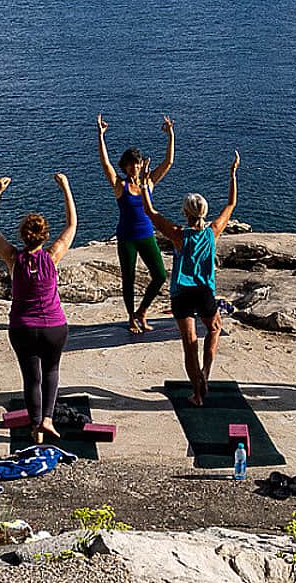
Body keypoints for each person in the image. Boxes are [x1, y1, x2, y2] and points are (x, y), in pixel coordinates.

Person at [141, 152, 239, 406]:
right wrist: (232, 175)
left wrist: (143, 184)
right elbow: (230, 206)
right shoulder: (212, 232)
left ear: (185, 213)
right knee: (214, 329)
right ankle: (206, 372)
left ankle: (197, 393)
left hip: (181, 293)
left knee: (189, 345)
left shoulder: (178, 234)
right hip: (204, 292)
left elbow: (150, 212)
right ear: (204, 212)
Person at [0, 173, 77, 445]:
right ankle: (47, 420)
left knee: (31, 378)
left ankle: (36, 426)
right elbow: (72, 224)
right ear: (44, 237)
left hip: (23, 328)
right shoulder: (53, 255)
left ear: (24, 236)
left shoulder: (14, 258)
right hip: (54, 328)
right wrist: (65, 188)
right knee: (51, 372)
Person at [97, 114, 176, 333]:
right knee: (129, 279)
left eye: (138, 163)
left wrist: (170, 135)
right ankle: (131, 318)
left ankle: (142, 311)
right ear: (125, 166)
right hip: (126, 238)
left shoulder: (148, 183)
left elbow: (168, 162)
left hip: (147, 235)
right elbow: (105, 164)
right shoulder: (119, 185)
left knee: (160, 275)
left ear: (141, 165)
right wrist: (101, 136)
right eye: (131, 164)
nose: (134, 167)